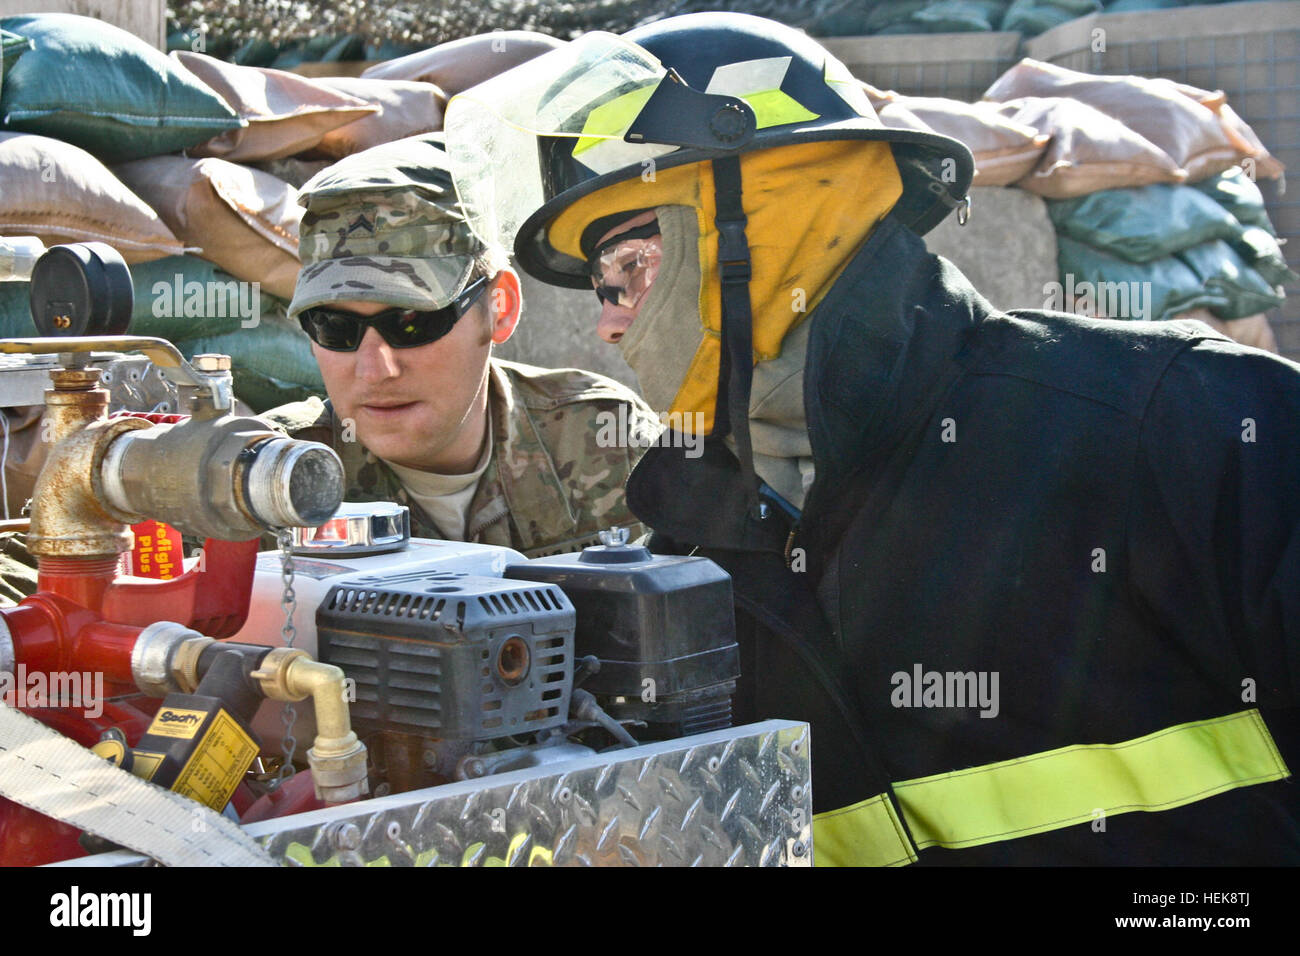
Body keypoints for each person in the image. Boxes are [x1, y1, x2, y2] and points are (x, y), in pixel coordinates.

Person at [447, 13, 1300, 863]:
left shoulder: (1179, 422)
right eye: (602, 287)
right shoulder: (689, 579)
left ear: (770, 223)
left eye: (629, 270)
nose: (606, 328)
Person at [263, 133, 658, 557]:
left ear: (500, 308)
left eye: (412, 323)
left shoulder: (606, 442)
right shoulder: (267, 481)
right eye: (333, 327)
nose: (375, 369)